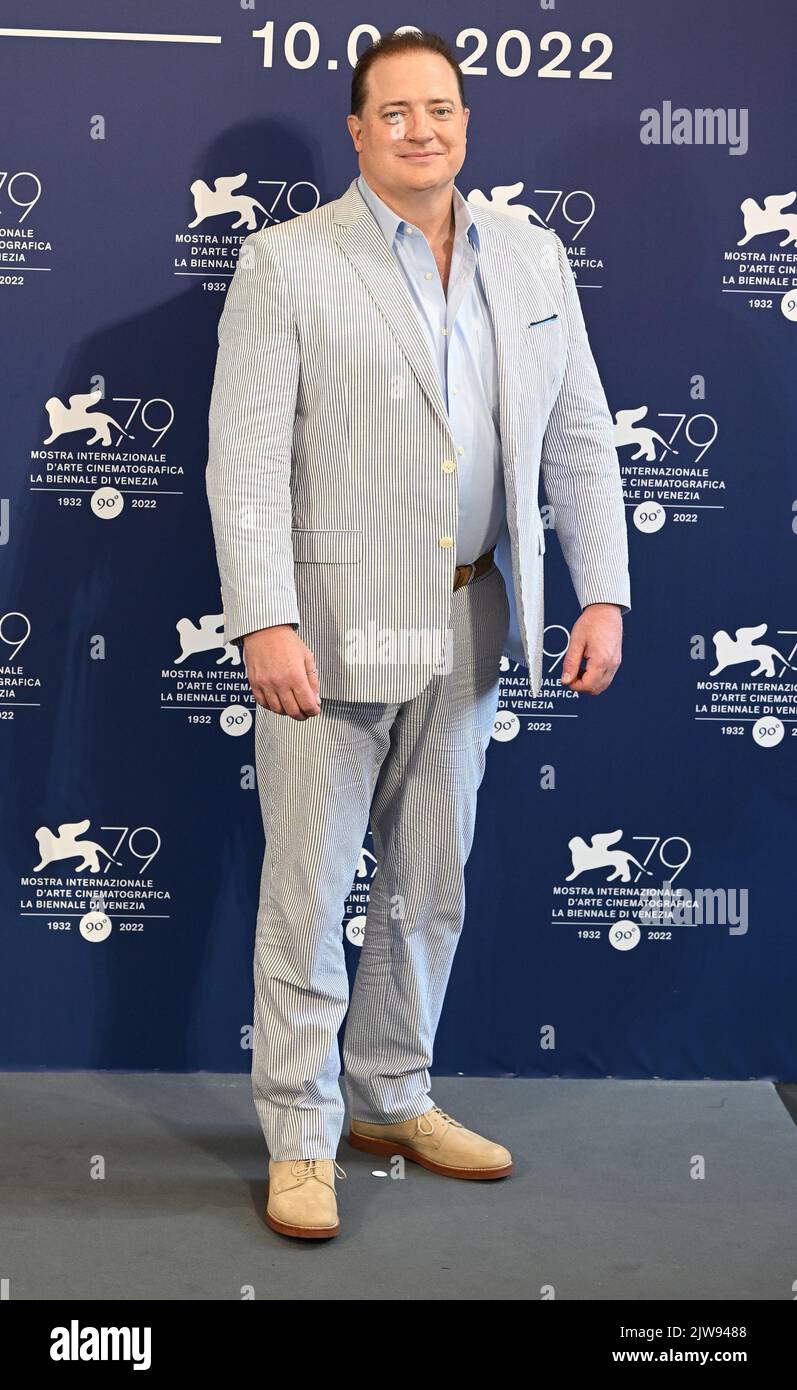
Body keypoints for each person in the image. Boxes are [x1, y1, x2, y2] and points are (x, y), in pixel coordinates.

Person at [205, 29, 631, 1240]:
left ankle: (389, 1097)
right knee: (306, 893)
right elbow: (242, 469)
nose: (418, 129)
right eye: (391, 112)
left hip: (473, 613)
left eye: (437, 107)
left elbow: (579, 436)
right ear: (355, 129)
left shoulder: (533, 256)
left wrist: (601, 591)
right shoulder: (286, 263)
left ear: (463, 118)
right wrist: (266, 619)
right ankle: (299, 1133)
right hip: (328, 629)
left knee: (426, 888)